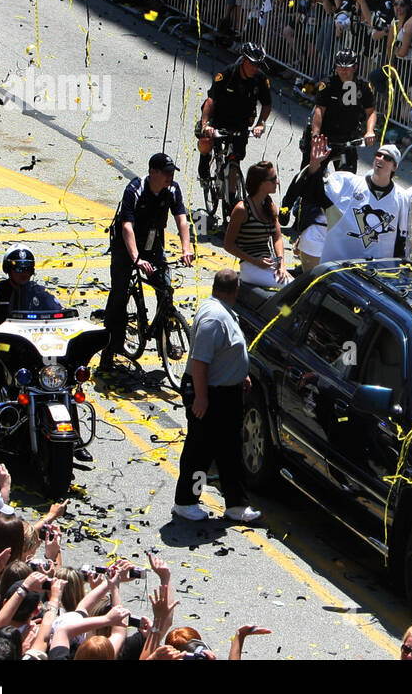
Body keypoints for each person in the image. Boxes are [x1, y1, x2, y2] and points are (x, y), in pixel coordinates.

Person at [172, 270, 260, 524]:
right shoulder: (214, 318)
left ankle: (236, 505)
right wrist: (201, 397)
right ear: (236, 290)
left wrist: (238, 374)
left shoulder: (220, 310)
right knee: (201, 449)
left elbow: (224, 352)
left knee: (230, 449)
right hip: (210, 392)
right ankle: (186, 502)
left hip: (225, 391)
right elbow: (199, 362)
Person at [0, 248, 65, 469]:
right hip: (2, 355)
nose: (24, 273)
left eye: (28, 269)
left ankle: (75, 442)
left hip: (33, 355)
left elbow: (59, 309)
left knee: (62, 387)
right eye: (18, 268)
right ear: (8, 269)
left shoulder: (38, 292)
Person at [100, 153, 195, 373]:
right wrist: (136, 259)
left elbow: (181, 218)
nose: (170, 176)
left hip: (153, 244)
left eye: (172, 172)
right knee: (119, 296)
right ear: (153, 172)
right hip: (127, 247)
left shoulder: (172, 189)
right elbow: (126, 228)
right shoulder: (135, 190)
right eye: (166, 172)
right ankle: (109, 349)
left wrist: (186, 248)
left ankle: (166, 339)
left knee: (166, 290)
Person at [309, 137, 410, 264]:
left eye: (387, 158)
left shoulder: (401, 197)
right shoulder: (347, 182)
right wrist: (315, 164)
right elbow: (314, 193)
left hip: (376, 271)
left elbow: (402, 238)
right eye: (378, 155)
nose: (381, 159)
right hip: (339, 264)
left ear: (394, 167)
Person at [197, 43, 273, 198]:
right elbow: (210, 101)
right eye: (252, 63)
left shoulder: (260, 79)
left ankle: (231, 199)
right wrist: (206, 124)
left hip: (241, 122)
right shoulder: (227, 74)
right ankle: (204, 163)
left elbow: (267, 104)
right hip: (217, 118)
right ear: (244, 60)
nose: (254, 68)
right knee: (206, 140)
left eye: (257, 64)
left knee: (235, 160)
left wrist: (260, 124)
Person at [304, 48, 377, 174]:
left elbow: (370, 111)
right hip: (325, 137)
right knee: (310, 175)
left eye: (347, 67)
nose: (343, 71)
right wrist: (315, 135)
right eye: (340, 67)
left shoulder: (363, 86)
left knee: (348, 181)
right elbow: (319, 110)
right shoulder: (327, 84)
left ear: (355, 67)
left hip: (347, 139)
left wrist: (370, 131)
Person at [223, 161, 291, 288]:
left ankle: (284, 309)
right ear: (261, 184)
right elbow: (228, 245)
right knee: (290, 288)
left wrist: (281, 264)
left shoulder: (270, 206)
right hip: (250, 266)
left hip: (268, 263)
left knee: (298, 288)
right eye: (273, 179)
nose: (277, 182)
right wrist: (255, 262)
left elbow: (277, 237)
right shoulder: (242, 209)